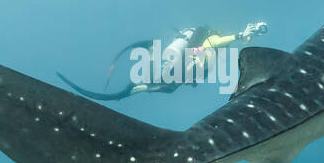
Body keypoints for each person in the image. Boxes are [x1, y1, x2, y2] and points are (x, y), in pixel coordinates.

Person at [58, 21, 268, 101]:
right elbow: (217, 41)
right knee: (167, 79)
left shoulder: (212, 51)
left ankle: (137, 87)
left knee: (168, 86)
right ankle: (149, 56)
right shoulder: (213, 39)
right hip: (184, 60)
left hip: (184, 68)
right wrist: (241, 35)